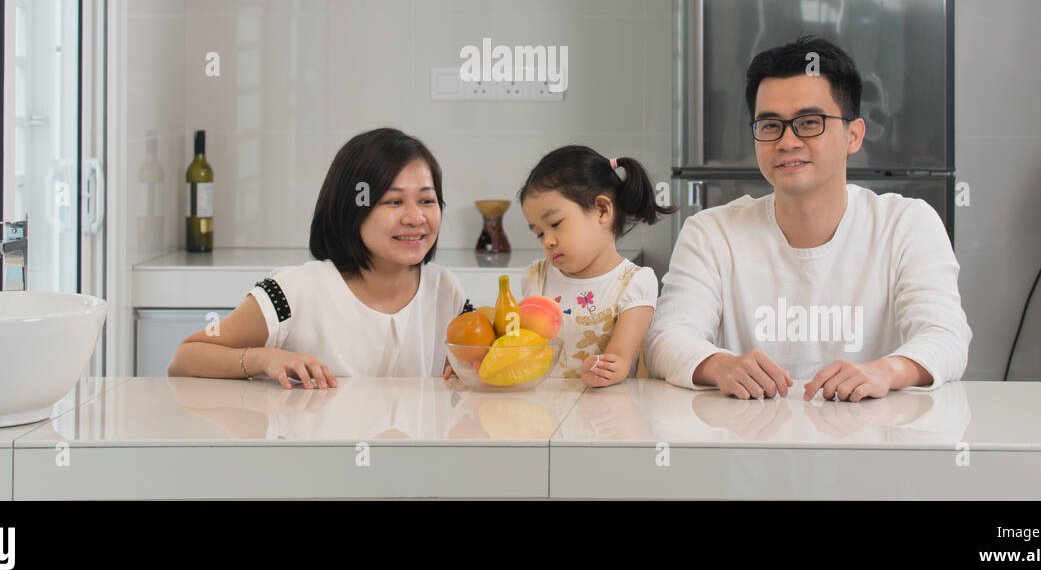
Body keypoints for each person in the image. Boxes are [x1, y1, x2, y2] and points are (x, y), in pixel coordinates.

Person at [644, 34, 971, 402]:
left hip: (874, 441)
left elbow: (947, 336)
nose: (787, 141)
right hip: (747, 444)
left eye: (809, 122)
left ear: (854, 135)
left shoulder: (907, 224)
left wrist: (885, 371)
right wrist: (720, 365)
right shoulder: (712, 231)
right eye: (770, 125)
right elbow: (664, 339)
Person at [167, 127, 465, 389]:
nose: (416, 218)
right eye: (394, 201)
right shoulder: (292, 292)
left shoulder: (445, 290)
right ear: (352, 210)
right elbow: (185, 358)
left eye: (427, 200)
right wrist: (263, 358)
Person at [517, 146, 675, 386]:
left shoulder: (634, 284)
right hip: (542, 413)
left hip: (603, 415)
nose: (547, 241)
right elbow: (519, 347)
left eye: (556, 224)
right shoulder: (536, 278)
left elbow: (619, 359)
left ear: (602, 210)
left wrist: (603, 369)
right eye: (539, 233)